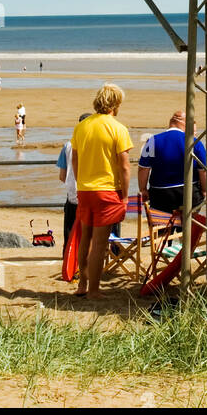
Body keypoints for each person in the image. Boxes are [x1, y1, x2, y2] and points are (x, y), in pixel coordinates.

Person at [71, 84, 132, 300]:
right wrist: (125, 195)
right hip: (106, 190)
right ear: (115, 104)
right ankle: (94, 290)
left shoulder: (82, 127)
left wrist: (81, 182)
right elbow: (124, 166)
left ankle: (82, 285)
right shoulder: (117, 128)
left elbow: (75, 159)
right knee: (99, 243)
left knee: (85, 238)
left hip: (85, 189)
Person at [138, 111, 206, 214]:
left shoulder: (152, 140)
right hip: (188, 192)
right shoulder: (194, 142)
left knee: (163, 227)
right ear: (184, 123)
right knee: (188, 226)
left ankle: (165, 229)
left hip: (160, 194)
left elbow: (143, 168)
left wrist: (143, 189)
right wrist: (204, 190)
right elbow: (203, 170)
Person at [57, 113, 91, 250]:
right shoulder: (97, 143)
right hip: (92, 192)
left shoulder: (68, 146)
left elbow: (62, 176)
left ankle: (68, 256)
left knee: (70, 229)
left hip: (73, 193)